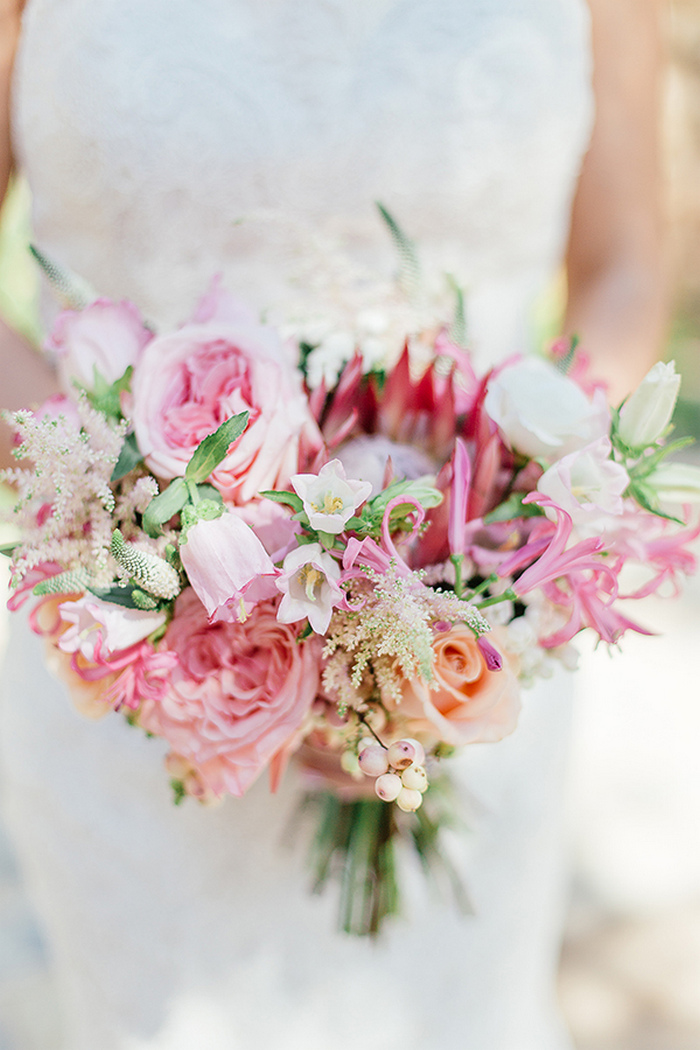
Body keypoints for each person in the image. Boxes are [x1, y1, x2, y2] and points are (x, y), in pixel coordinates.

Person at [0, 2, 667, 1048]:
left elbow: (626, 264)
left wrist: (511, 533)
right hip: (138, 674)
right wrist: (157, 541)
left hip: (469, 642)